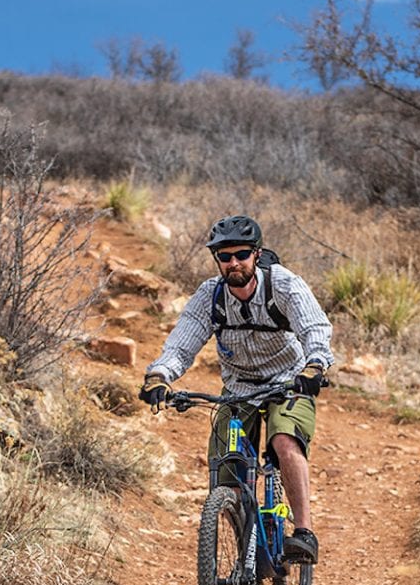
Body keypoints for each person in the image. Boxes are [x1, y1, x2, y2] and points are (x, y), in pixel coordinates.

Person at [138, 215, 335, 564]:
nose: (233, 263)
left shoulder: (285, 286)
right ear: (217, 260)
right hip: (238, 387)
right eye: (225, 257)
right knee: (225, 474)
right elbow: (181, 346)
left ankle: (303, 533)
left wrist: (315, 366)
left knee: (284, 441)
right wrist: (160, 376)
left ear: (256, 255)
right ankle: (249, 544)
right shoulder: (210, 297)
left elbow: (315, 328)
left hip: (288, 381)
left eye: (241, 254)